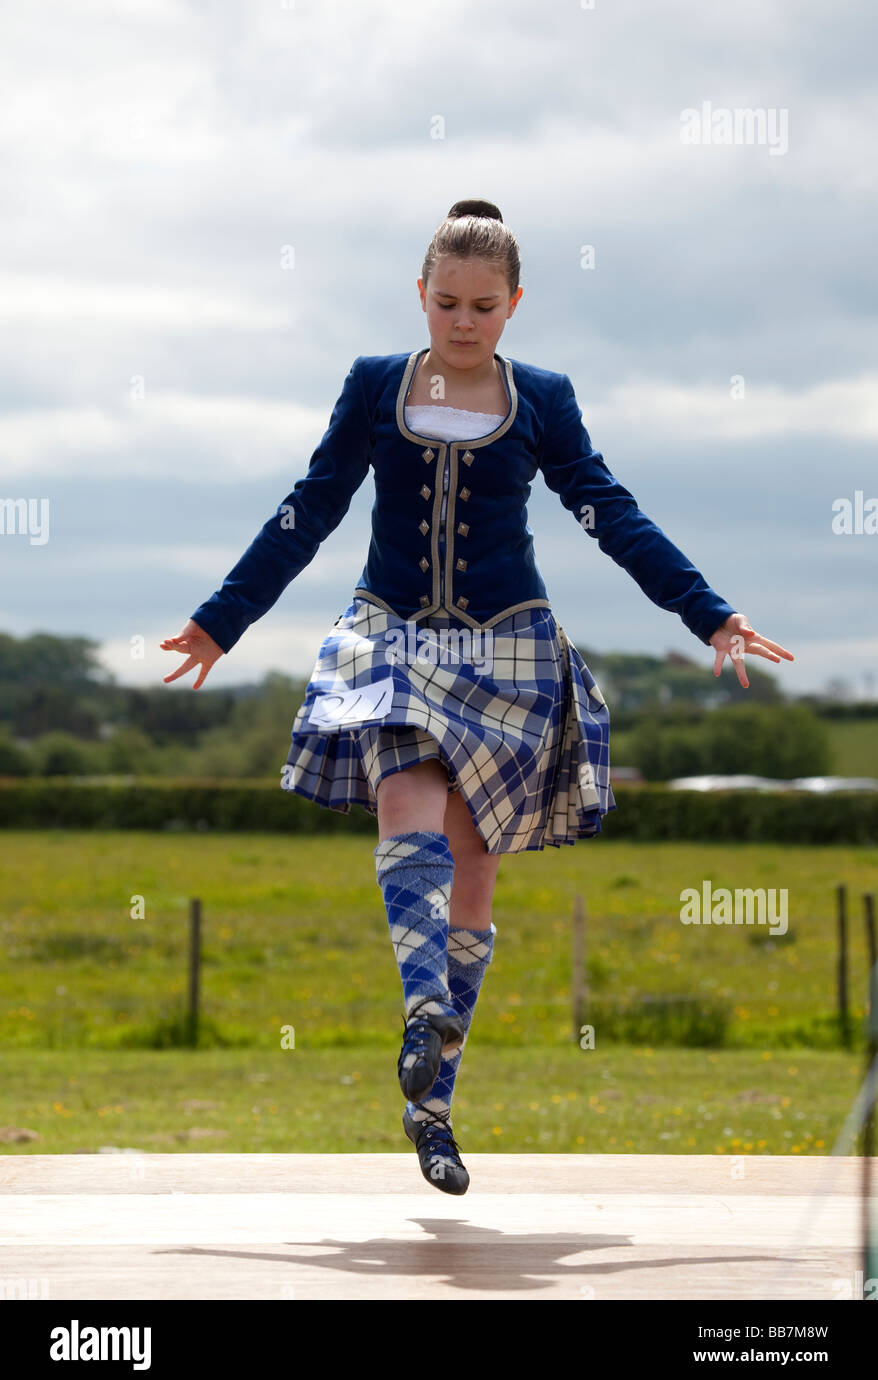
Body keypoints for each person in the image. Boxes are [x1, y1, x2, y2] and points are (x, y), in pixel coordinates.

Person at [161, 199, 794, 1196]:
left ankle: (432, 1110)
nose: (462, 320)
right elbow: (312, 505)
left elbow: (607, 510)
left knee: (474, 878)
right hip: (393, 632)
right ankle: (424, 1008)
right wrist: (220, 618)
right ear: (419, 295)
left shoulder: (540, 398)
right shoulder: (375, 388)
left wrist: (706, 613)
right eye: (446, 301)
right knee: (402, 794)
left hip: (505, 646)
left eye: (482, 306)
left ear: (512, 307)